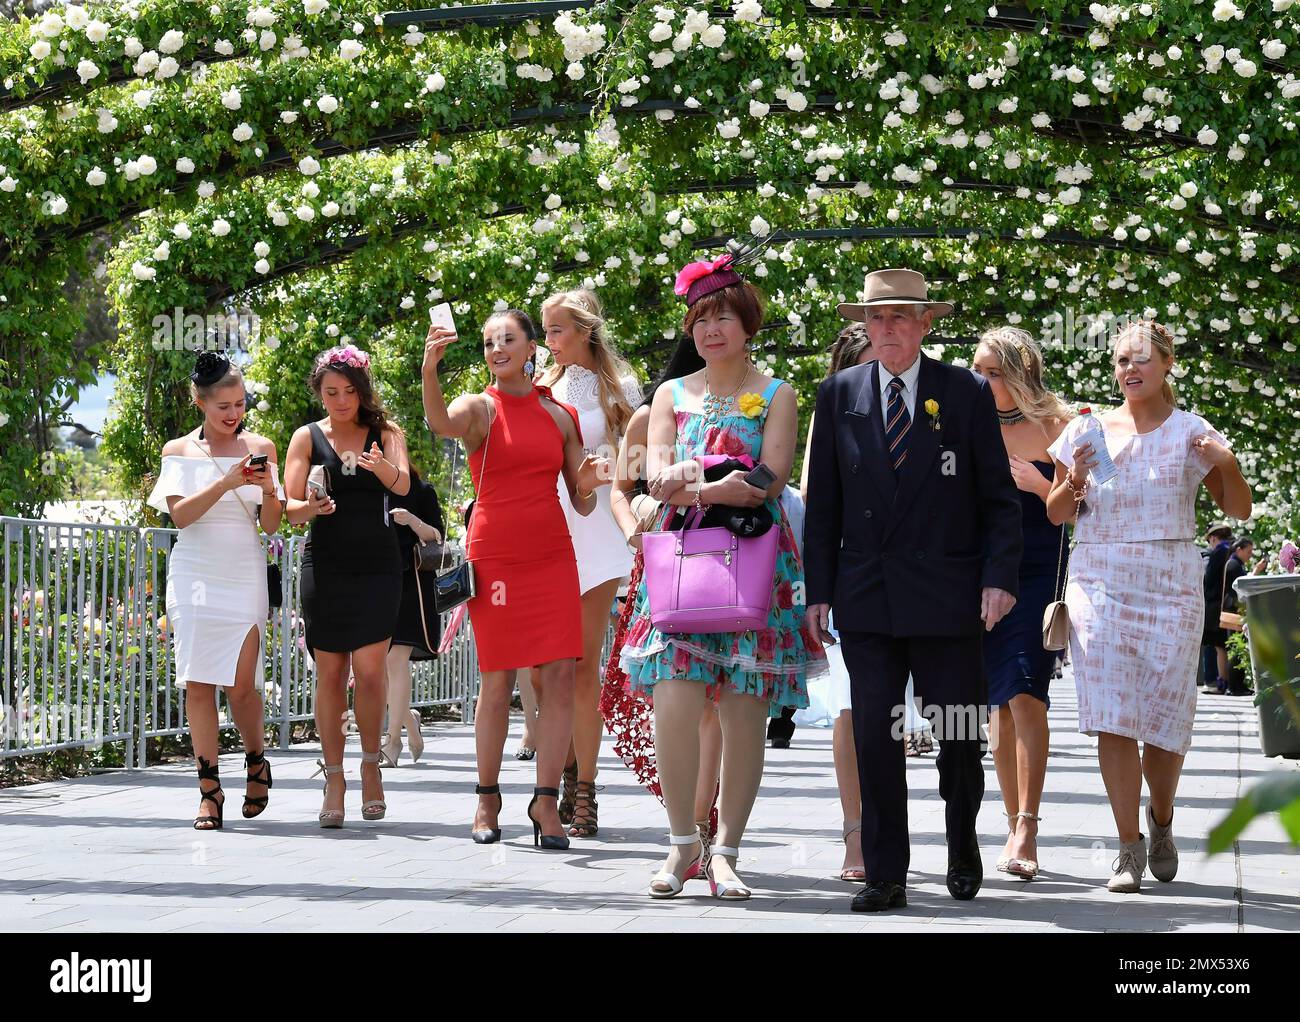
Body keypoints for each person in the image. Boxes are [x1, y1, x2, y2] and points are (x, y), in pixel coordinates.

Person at [804, 268, 1023, 913]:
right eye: (876, 317)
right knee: (875, 732)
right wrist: (819, 591)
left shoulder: (965, 392)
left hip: (948, 590)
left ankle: (962, 842)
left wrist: (998, 579)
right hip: (867, 590)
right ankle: (886, 871)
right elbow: (825, 510)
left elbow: (999, 499)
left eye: (901, 316)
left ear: (926, 323)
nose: (887, 329)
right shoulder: (837, 393)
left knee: (957, 732)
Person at [619, 249, 822, 900]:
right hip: (681, 562)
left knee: (742, 710)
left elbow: (770, 479)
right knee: (673, 703)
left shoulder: (777, 393)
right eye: (701, 317)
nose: (712, 329)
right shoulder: (669, 396)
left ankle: (727, 850)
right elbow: (654, 479)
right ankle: (682, 844)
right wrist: (711, 486)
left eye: (725, 316)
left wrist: (693, 480)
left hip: (757, 562)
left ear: (748, 323)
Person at [1046, 320, 1252, 893]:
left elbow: (1238, 510)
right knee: (1112, 717)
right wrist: (1077, 476)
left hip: (1170, 585)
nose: (1128, 370)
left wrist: (1226, 462)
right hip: (1100, 581)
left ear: (1166, 365)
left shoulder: (1192, 432)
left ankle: (1161, 821)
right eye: (1119, 361)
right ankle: (1128, 845)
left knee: (1164, 724)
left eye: (1140, 360)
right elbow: (1057, 513)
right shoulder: (1086, 429)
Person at [421, 307, 605, 850]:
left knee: (562, 677)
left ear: (532, 350)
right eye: (488, 342)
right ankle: (487, 794)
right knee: (498, 678)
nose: (497, 348)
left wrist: (592, 479)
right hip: (496, 556)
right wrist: (430, 368)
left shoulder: (560, 414)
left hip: (551, 555)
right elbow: (439, 423)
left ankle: (546, 800)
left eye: (509, 339)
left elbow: (582, 499)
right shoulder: (478, 407)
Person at [148, 352, 283, 830]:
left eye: (240, 403)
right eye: (223, 405)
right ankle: (208, 790)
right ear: (200, 402)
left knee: (241, 686)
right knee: (198, 681)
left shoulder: (261, 444)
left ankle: (256, 760)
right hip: (193, 572)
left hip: (243, 571)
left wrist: (268, 488)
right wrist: (228, 481)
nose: (233, 413)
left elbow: (270, 525)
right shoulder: (178, 451)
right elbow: (181, 516)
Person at [604, 336, 726, 866]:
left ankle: (701, 823)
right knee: (667, 697)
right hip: (665, 564)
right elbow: (620, 487)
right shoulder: (653, 413)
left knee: (715, 701)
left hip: (726, 565)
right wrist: (637, 535)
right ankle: (688, 824)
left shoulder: (749, 404)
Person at [284, 344, 410, 827]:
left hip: (378, 566)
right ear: (319, 393)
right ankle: (334, 775)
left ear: (362, 392)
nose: (341, 400)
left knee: (372, 671)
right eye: (331, 391)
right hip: (327, 566)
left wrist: (382, 467)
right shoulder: (306, 437)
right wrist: (310, 508)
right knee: (330, 674)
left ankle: (372, 767)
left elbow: (402, 487)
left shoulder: (385, 433)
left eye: (350, 391)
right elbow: (289, 508)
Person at [532, 289, 642, 838]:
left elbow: (635, 461)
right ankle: (565, 766)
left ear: (585, 331)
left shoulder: (621, 388)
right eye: (546, 331)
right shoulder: (538, 386)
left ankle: (585, 787)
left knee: (580, 664)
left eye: (556, 330)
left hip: (595, 528)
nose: (548, 341)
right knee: (543, 667)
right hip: (545, 526)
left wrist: (617, 467)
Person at [971, 326, 1074, 881]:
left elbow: (1078, 508)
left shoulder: (1058, 425)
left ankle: (1027, 826)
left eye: (992, 372)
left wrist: (1040, 485)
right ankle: (1012, 818)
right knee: (997, 703)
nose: (981, 381)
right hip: (983, 573)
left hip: (1037, 573)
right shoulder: (968, 422)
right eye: (978, 370)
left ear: (1018, 373)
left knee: (1026, 693)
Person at [381, 465, 446, 766]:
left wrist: (411, 520)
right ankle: (408, 720)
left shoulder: (421, 490)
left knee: (395, 660)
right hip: (375, 581)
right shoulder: (371, 487)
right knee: (375, 669)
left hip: (411, 583)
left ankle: (392, 741)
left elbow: (437, 536)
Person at [1220, 538, 1259, 696]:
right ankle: (1234, 687)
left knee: (1238, 647)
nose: (1250, 555)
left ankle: (1238, 685)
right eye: (1248, 551)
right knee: (1236, 648)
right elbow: (1241, 585)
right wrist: (1255, 571)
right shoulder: (1233, 565)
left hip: (1236, 609)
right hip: (1234, 610)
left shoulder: (1235, 564)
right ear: (1239, 550)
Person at [1201, 524, 1235, 694]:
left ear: (1213, 538)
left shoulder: (1218, 553)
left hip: (1215, 606)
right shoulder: (1231, 551)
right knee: (1225, 644)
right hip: (1229, 603)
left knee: (1218, 646)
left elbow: (1209, 579)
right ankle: (1226, 681)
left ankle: (1219, 682)